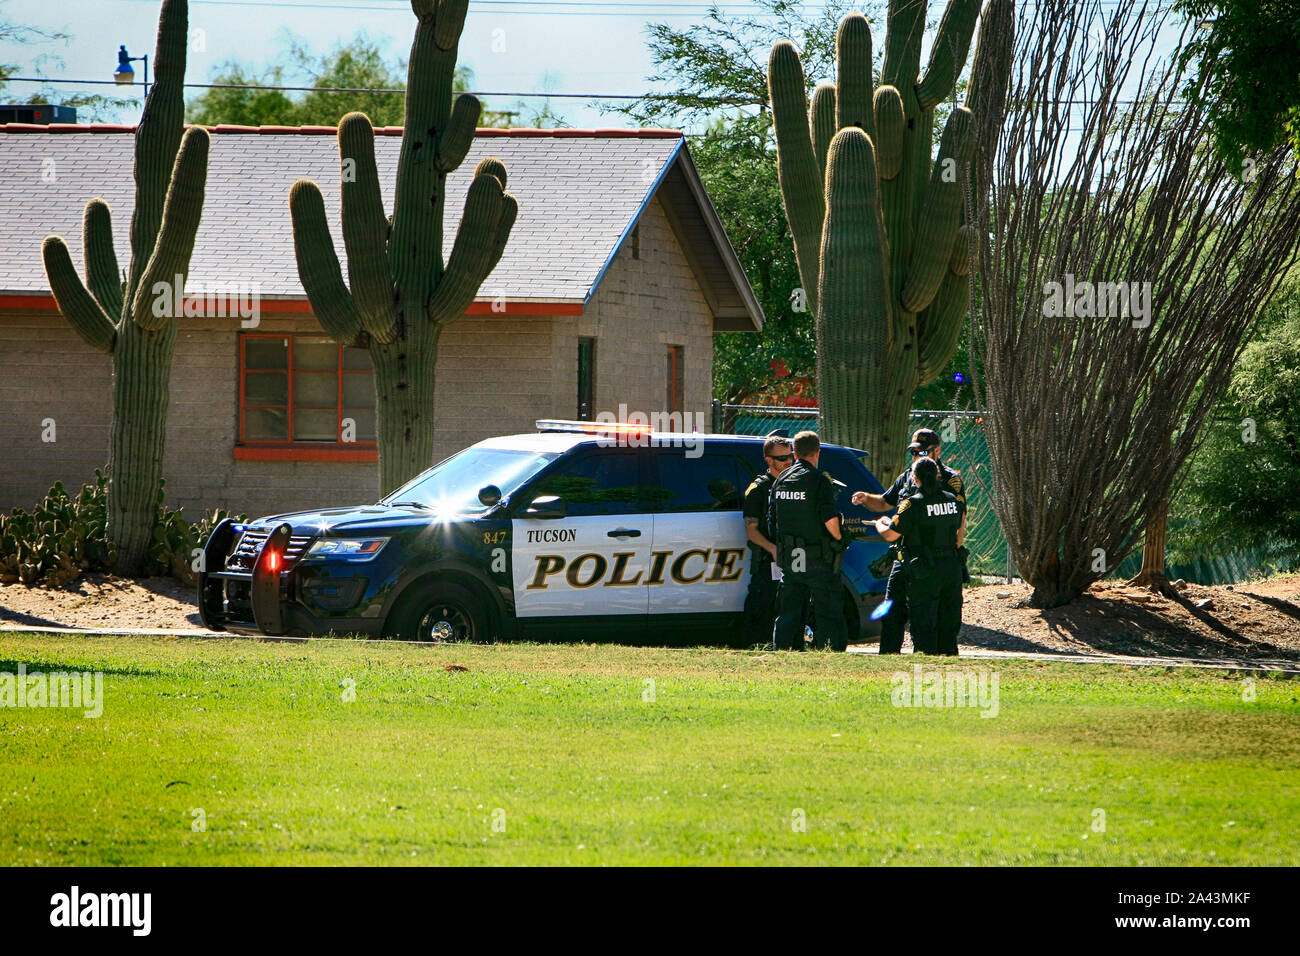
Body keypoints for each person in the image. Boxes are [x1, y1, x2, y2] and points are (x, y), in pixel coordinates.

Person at [851, 428, 966, 654]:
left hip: (933, 560)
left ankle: (934, 656)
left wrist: (956, 550)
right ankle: (890, 654)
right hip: (905, 557)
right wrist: (866, 499)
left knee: (934, 615)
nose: (917, 457)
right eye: (914, 452)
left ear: (937, 451)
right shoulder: (907, 476)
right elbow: (885, 502)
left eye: (922, 453)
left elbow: (960, 520)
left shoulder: (950, 480)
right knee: (892, 610)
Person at [873, 456, 965, 655]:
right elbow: (958, 531)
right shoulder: (951, 500)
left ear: (915, 479)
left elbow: (890, 534)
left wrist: (881, 523)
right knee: (948, 618)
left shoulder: (912, 503)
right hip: (950, 567)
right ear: (938, 476)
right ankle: (948, 657)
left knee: (924, 619)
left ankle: (925, 658)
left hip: (924, 569)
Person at [769, 430, 848, 652]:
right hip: (817, 557)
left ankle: (783, 651)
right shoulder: (818, 481)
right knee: (827, 610)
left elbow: (771, 521)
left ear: (794, 453)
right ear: (817, 452)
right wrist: (840, 538)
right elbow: (829, 519)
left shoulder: (781, 480)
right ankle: (828, 653)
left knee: (789, 610)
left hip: (791, 556)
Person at [742, 436, 795, 646]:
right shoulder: (758, 490)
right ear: (768, 460)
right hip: (768, 559)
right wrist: (772, 549)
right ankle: (757, 646)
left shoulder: (794, 484)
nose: (788, 462)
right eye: (782, 458)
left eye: (791, 456)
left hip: (794, 555)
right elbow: (751, 530)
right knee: (762, 605)